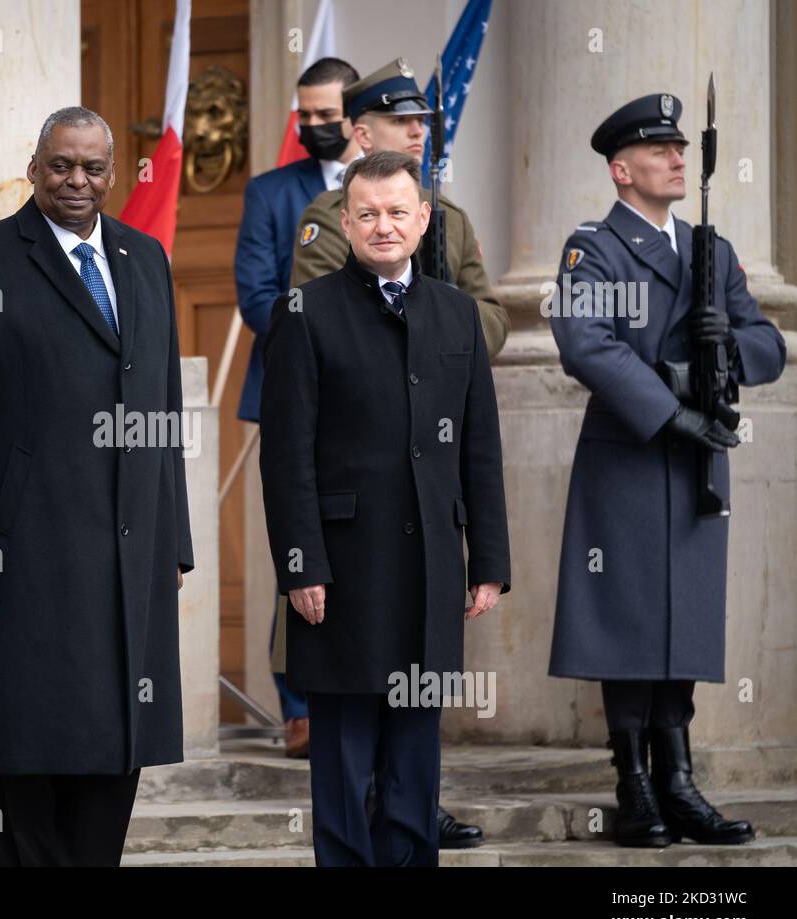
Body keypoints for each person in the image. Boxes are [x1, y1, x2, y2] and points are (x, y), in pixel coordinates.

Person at [0, 106, 193, 867]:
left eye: (93, 167)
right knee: (30, 785)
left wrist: (174, 541)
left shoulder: (144, 259)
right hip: (22, 570)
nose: (78, 180)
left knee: (111, 781)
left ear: (112, 173)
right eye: (62, 165)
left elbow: (162, 408)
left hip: (128, 562)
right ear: (33, 167)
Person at [259, 151, 510, 866]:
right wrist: (300, 563)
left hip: (430, 566)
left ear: (424, 219)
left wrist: (488, 561)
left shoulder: (458, 316)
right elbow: (287, 457)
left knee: (413, 765)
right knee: (342, 761)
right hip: (339, 576)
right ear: (346, 222)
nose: (383, 226)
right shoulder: (304, 313)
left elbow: (479, 450)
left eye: (398, 212)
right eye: (367, 213)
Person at [549, 93, 785, 848]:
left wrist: (729, 346)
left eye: (682, 149)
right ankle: (634, 782)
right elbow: (587, 343)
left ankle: (679, 780)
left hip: (694, 461)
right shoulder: (596, 248)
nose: (678, 159)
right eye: (659, 151)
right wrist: (674, 398)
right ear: (622, 170)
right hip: (633, 451)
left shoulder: (708, 247)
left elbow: (768, 345)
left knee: (681, 615)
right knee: (628, 619)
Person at [235, 55, 361, 758]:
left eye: (326, 115)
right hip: (295, 390)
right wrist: (329, 345)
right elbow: (256, 292)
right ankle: (300, 706)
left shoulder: (399, 191)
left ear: (356, 115)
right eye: (303, 116)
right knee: (300, 546)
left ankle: (368, 693)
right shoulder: (268, 192)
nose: (312, 127)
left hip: (380, 406)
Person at [290, 58, 509, 357]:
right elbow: (323, 317)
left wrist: (448, 308)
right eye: (400, 121)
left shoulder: (451, 217)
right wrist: (425, 315)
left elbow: (494, 322)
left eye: (420, 120)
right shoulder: (330, 216)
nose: (417, 131)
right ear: (363, 135)